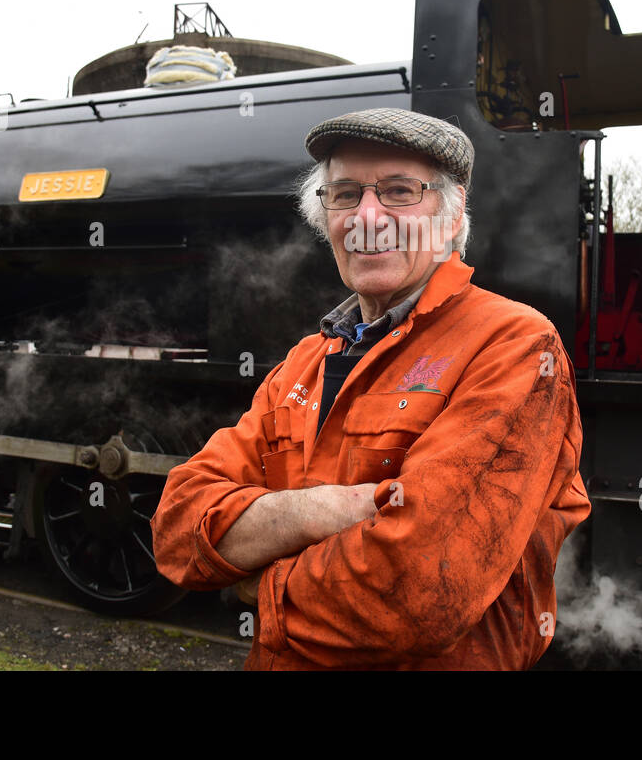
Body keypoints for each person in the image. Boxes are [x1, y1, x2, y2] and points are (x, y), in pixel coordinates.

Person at [150, 106, 590, 669]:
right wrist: (319, 511)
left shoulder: (515, 346)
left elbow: (416, 593)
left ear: (452, 219)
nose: (367, 216)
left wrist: (255, 581)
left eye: (400, 191)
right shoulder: (304, 362)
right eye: (345, 194)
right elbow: (174, 528)